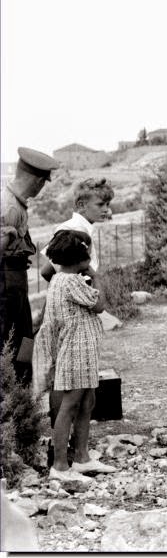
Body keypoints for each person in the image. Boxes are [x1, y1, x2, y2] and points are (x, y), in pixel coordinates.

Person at [32, 229, 116, 484]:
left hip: (83, 352)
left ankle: (81, 457)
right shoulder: (71, 282)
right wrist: (95, 276)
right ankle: (60, 465)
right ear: (79, 257)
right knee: (70, 405)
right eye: (86, 253)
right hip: (76, 352)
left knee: (86, 402)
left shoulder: (59, 279)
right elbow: (99, 304)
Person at [1, 147, 59, 385]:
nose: (42, 186)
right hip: (6, 283)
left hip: (16, 280)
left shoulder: (16, 203)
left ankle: (23, 393)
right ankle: (13, 400)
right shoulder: (9, 207)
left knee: (25, 339)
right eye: (43, 181)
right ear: (37, 181)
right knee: (8, 342)